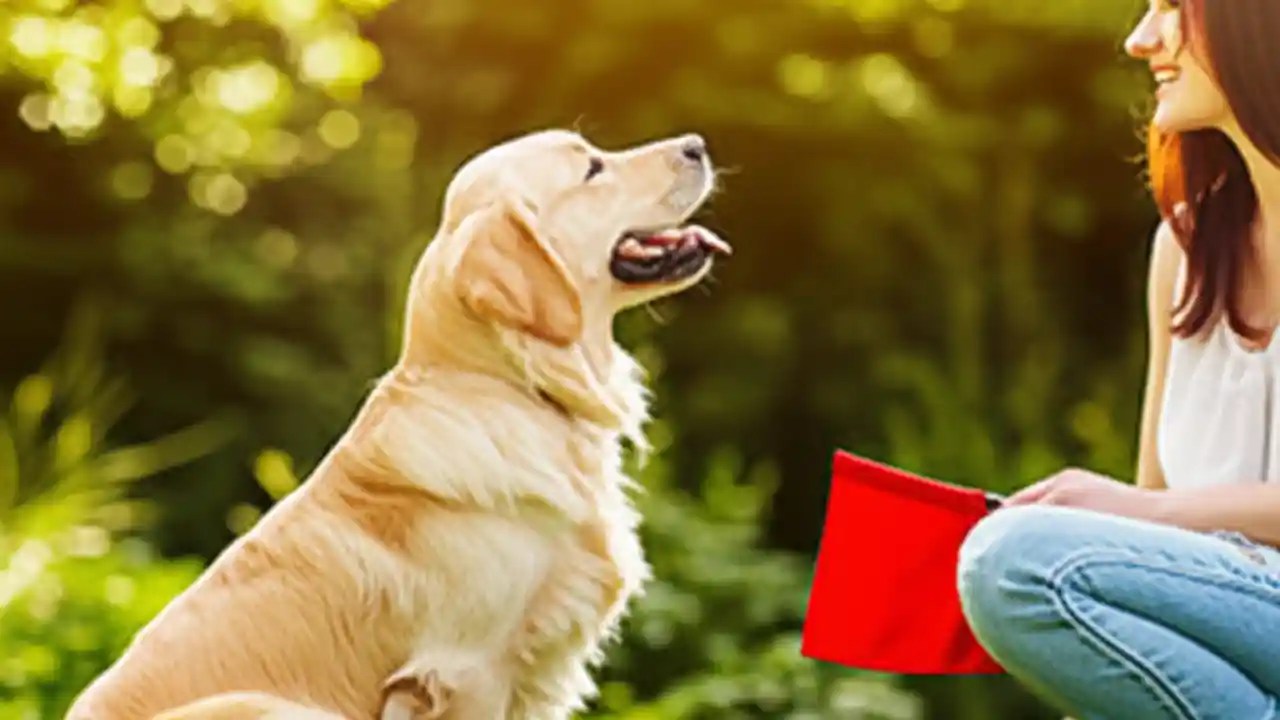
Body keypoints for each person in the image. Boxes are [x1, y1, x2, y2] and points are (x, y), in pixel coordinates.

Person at [955, 0, 1280, 718]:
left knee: (1013, 560)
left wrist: (1150, 510)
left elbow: (1148, 511)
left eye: (1175, 6)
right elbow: (1141, 537)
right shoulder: (1184, 250)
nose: (1140, 39)